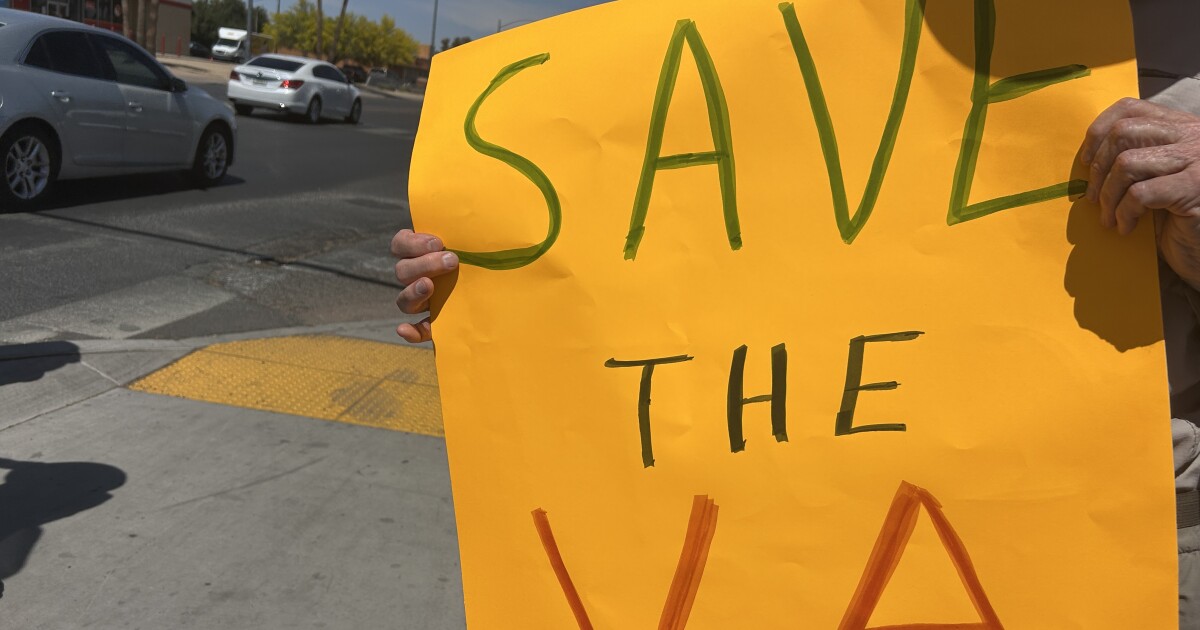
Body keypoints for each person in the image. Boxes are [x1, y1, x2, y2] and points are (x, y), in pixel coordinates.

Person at [391, 2, 1200, 623]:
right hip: (771, 551)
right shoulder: (759, 36)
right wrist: (487, 302)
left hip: (1108, 539)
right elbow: (677, 260)